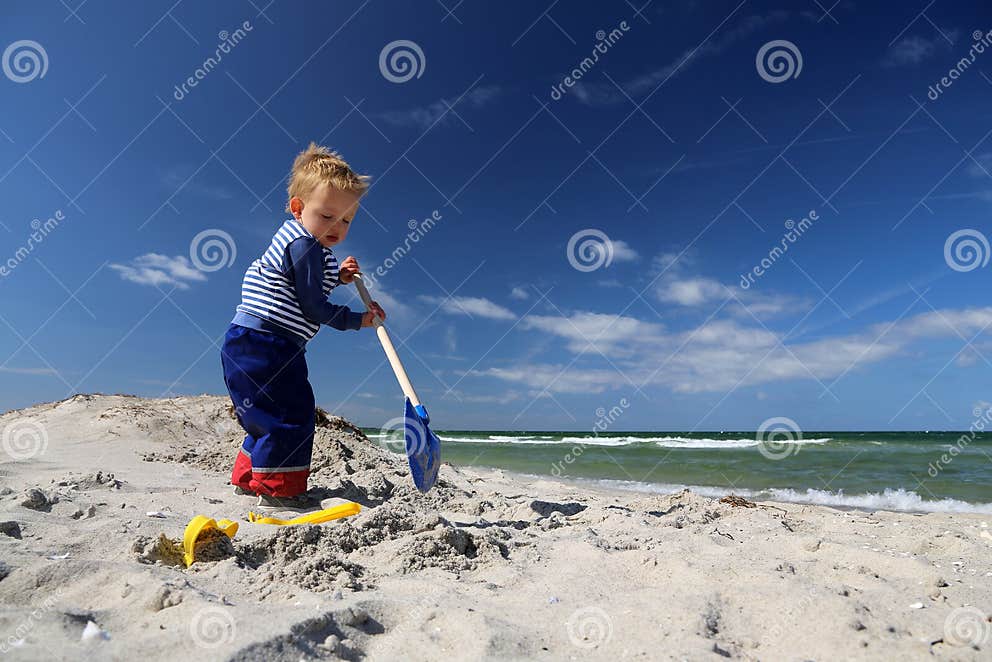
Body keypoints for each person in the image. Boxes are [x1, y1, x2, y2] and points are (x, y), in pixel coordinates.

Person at [221, 143, 385, 509]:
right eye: (327, 216)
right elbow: (314, 306)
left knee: (265, 416)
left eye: (346, 220)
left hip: (248, 342)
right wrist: (360, 319)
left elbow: (307, 280)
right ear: (298, 208)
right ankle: (280, 492)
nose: (337, 227)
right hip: (268, 344)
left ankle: (250, 480)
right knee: (291, 412)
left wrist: (339, 276)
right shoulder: (306, 247)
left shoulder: (300, 244)